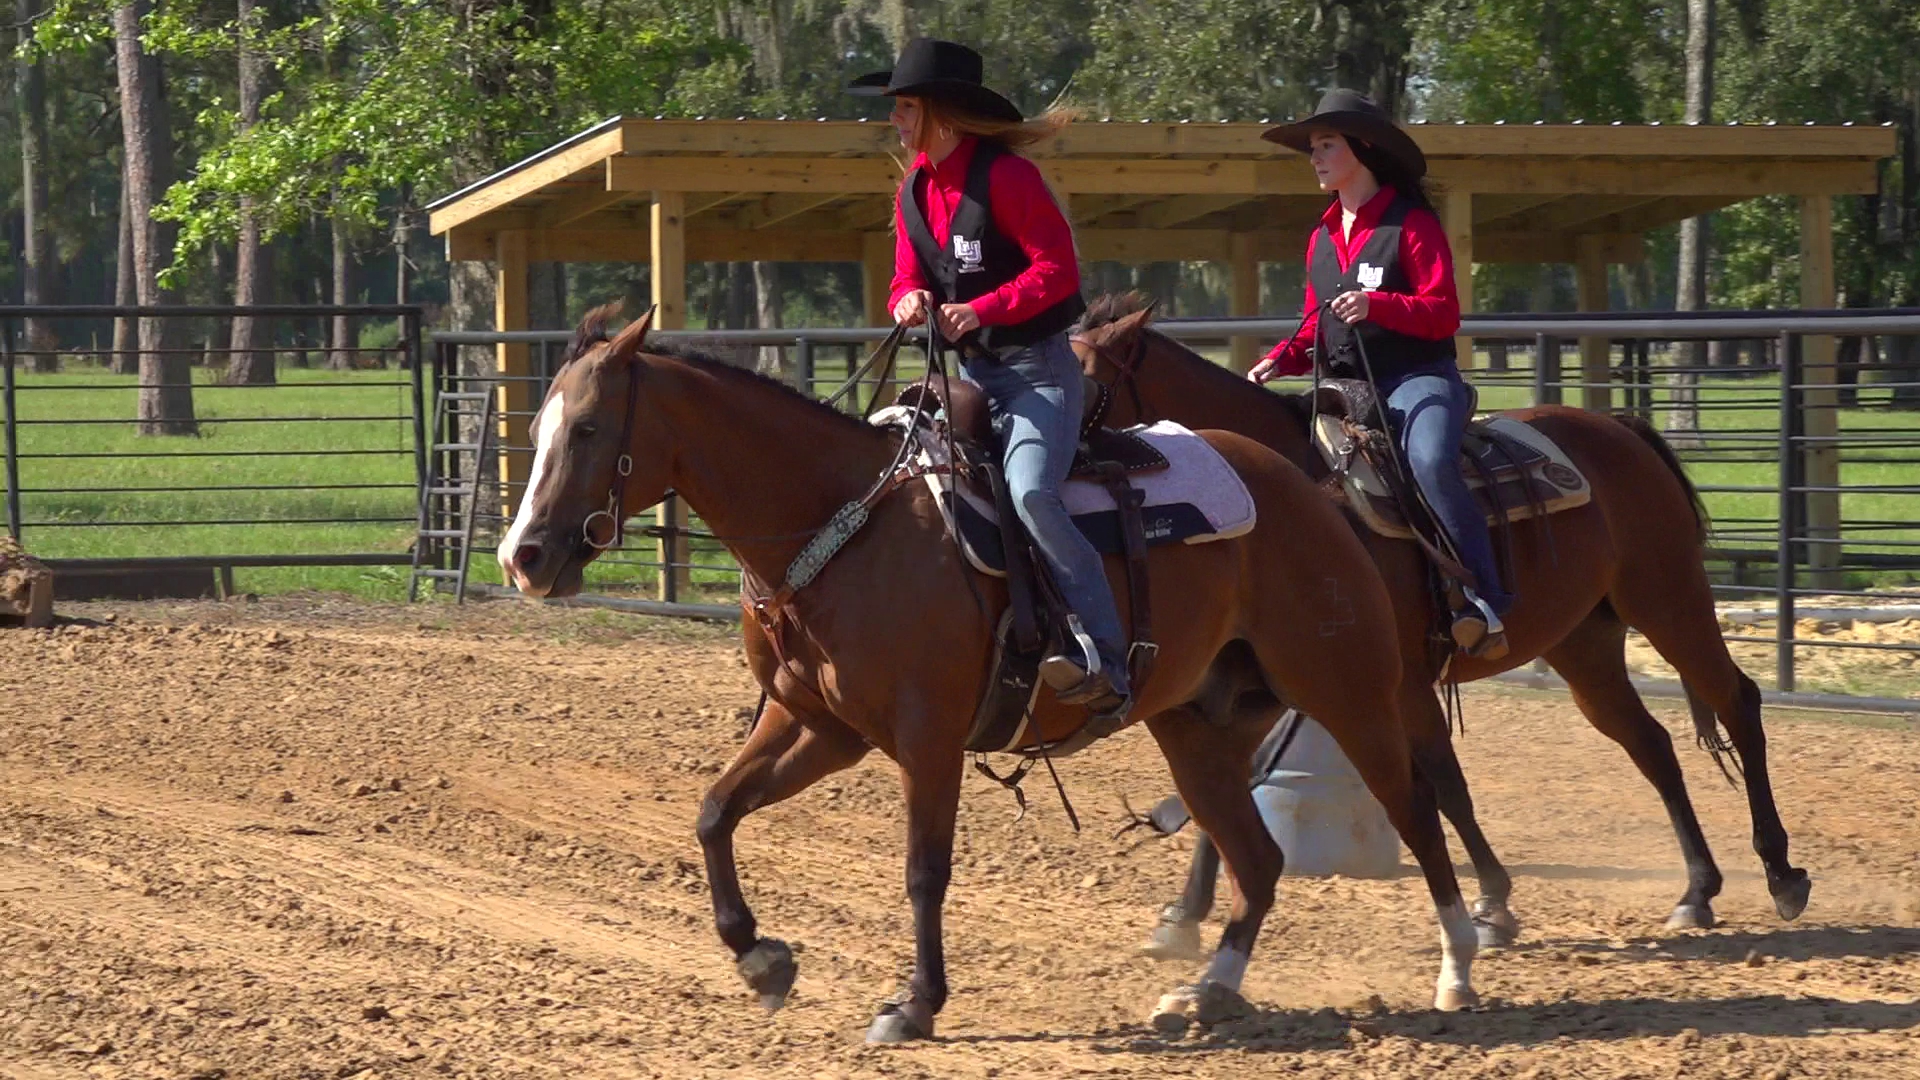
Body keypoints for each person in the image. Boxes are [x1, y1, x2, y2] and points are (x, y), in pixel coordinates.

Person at [847, 38, 1131, 716]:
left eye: (907, 107)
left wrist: (979, 309)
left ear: (943, 114)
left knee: (1033, 494)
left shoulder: (1008, 179)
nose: (897, 120)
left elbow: (1057, 272)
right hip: (971, 379)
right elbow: (905, 274)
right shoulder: (914, 191)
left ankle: (1108, 660)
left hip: (1038, 374)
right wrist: (905, 301)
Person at [1248, 88, 1513, 653]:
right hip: (1347, 386)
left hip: (1418, 377)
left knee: (1430, 461)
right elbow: (1313, 323)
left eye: (1326, 144)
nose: (1315, 157)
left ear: (1362, 149)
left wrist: (1379, 306)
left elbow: (1444, 312)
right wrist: (1280, 358)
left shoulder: (1410, 224)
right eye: (1312, 148)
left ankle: (1486, 600)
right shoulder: (1320, 237)